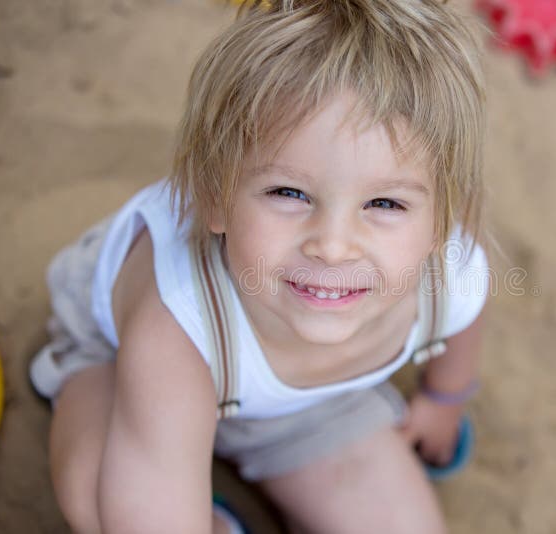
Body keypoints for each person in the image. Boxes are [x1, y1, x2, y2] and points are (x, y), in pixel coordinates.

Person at [29, 1, 489, 532]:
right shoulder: (175, 329)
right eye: (288, 192)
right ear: (215, 198)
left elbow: (462, 324)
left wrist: (443, 396)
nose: (333, 247)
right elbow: (151, 492)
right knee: (106, 507)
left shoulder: (449, 273)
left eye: (385, 204)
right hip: (122, 363)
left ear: (442, 220)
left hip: (304, 409)